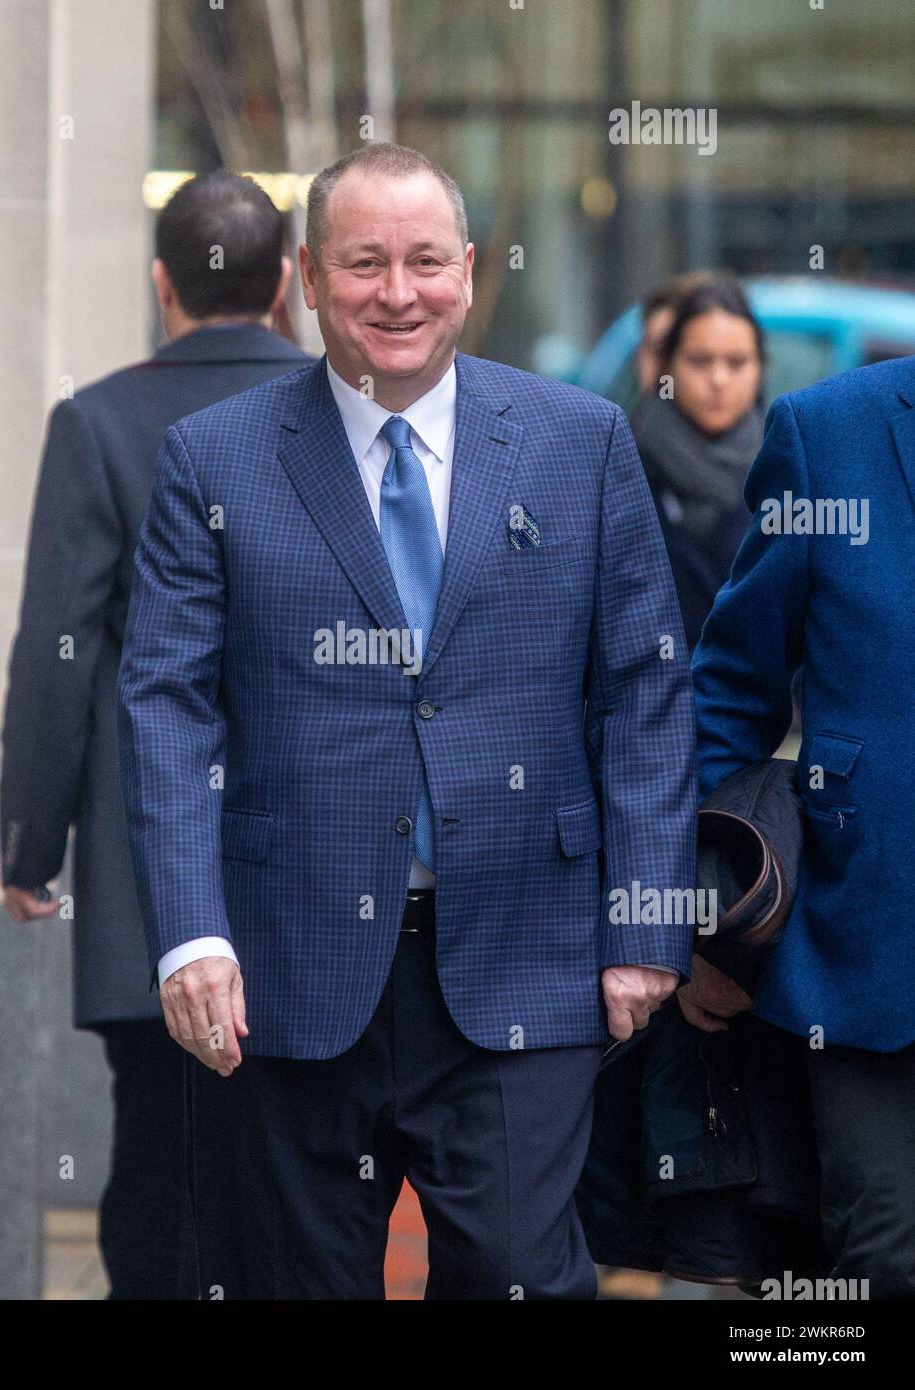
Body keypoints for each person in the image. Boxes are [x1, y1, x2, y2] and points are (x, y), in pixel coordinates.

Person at [118, 141, 696, 1300]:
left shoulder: (577, 443)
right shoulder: (213, 458)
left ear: (469, 271)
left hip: (527, 955)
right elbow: (168, 705)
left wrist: (645, 919)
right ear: (306, 281)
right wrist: (191, 931)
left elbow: (645, 687)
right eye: (366, 262)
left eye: (426, 260)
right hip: (287, 967)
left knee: (516, 1273)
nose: (399, 292)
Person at [0, 171, 312, 1298]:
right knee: (306, 1180)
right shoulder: (341, 412)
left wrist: (30, 843)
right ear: (286, 283)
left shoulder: (96, 424)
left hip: (146, 872)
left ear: (159, 281)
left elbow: (58, 654)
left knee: (160, 1173)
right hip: (329, 878)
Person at [692, 354, 915, 1297]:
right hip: (864, 950)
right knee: (883, 1262)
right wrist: (707, 903)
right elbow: (732, 684)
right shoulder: (826, 433)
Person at [631, 275, 765, 650]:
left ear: (759, 368)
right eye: (700, 361)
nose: (719, 379)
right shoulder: (620, 469)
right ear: (667, 365)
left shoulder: (787, 474)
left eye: (737, 362)